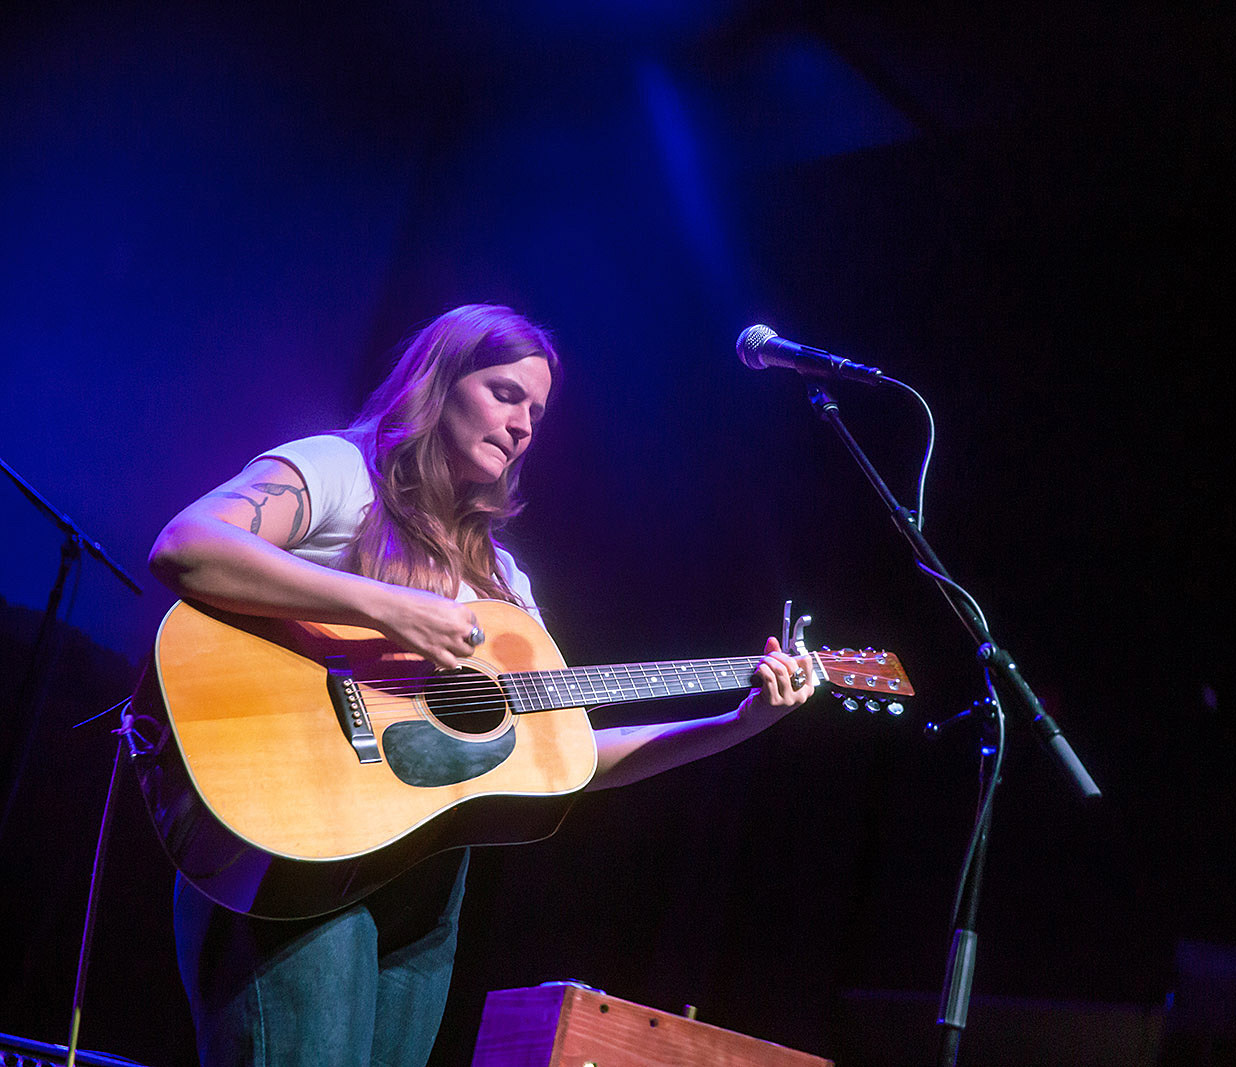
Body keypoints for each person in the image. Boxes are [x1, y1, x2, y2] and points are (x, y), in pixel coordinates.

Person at [146, 304, 814, 1066]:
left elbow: (569, 756)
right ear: (440, 382)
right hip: (299, 843)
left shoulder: (502, 586)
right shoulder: (341, 473)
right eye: (505, 393)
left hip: (426, 890)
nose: (525, 424)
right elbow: (186, 545)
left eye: (536, 410)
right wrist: (392, 609)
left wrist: (734, 724)